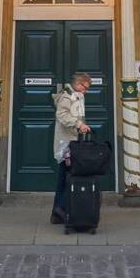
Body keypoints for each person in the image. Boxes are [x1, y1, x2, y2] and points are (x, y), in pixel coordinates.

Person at [50, 72, 91, 224]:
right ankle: (61, 208)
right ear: (78, 84)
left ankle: (56, 214)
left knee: (62, 178)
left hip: (70, 142)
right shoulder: (67, 97)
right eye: (84, 87)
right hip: (66, 145)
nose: (85, 90)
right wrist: (79, 124)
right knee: (70, 177)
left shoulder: (77, 97)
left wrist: (80, 126)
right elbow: (62, 115)